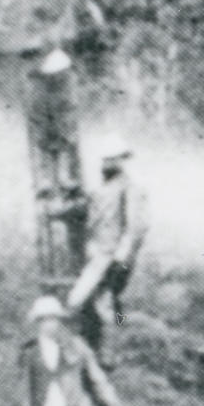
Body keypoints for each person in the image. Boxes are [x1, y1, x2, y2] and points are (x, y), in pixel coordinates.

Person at [0, 0, 110, 209]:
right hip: (35, 69)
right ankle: (44, 180)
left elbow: (95, 23)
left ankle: (68, 179)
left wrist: (79, 41)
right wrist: (30, 44)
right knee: (41, 128)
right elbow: (0, 33)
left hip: (63, 67)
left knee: (67, 125)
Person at [69, 137, 149, 350]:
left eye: (111, 160)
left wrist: (120, 258)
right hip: (98, 254)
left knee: (80, 300)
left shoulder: (131, 189)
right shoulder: (102, 188)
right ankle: (116, 338)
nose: (105, 165)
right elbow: (89, 211)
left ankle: (111, 351)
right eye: (104, 161)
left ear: (120, 162)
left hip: (111, 256)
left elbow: (135, 228)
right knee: (106, 300)